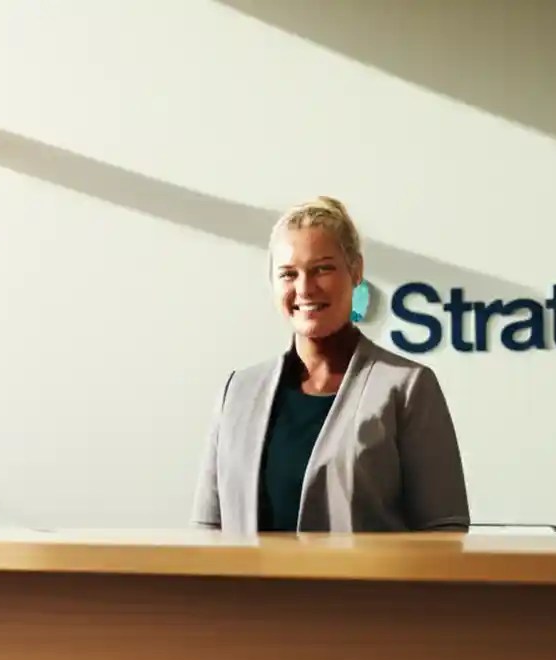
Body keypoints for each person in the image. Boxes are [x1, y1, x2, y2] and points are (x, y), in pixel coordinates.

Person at [192, 196, 469, 533]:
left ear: (356, 271)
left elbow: (443, 531)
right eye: (289, 274)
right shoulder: (238, 391)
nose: (305, 288)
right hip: (250, 588)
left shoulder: (407, 387)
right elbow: (208, 531)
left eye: (322, 269)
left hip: (366, 588)